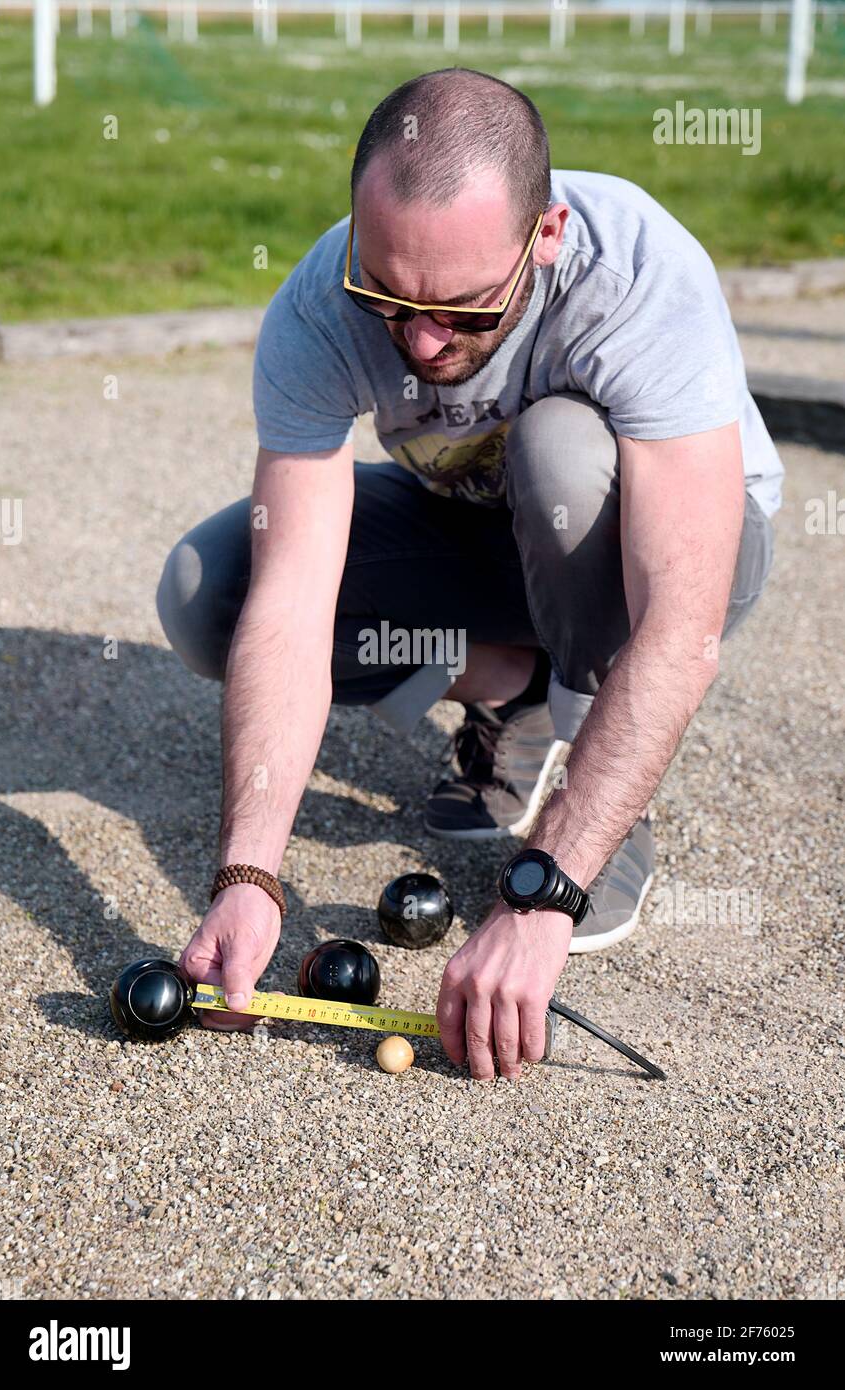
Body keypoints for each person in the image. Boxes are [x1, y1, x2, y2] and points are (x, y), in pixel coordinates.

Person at [156, 67, 782, 1081]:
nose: (419, 338)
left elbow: (681, 626)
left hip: (660, 554)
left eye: (458, 310)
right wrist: (248, 874)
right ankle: (514, 688)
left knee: (559, 452)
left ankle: (593, 788)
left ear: (543, 236)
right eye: (386, 297)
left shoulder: (633, 273)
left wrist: (543, 889)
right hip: (487, 536)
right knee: (208, 593)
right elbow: (289, 603)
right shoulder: (323, 301)